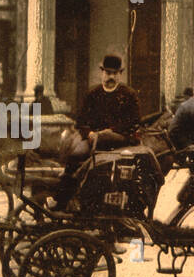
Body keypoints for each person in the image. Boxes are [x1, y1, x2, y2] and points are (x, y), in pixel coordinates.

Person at [49, 52, 142, 209]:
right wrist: (90, 133)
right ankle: (64, 198)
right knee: (76, 154)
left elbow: (133, 122)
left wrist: (110, 132)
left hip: (120, 139)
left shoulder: (129, 95)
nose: (110, 77)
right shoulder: (93, 94)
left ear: (120, 74)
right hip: (93, 139)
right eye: (107, 73)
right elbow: (81, 122)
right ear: (102, 73)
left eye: (114, 73)